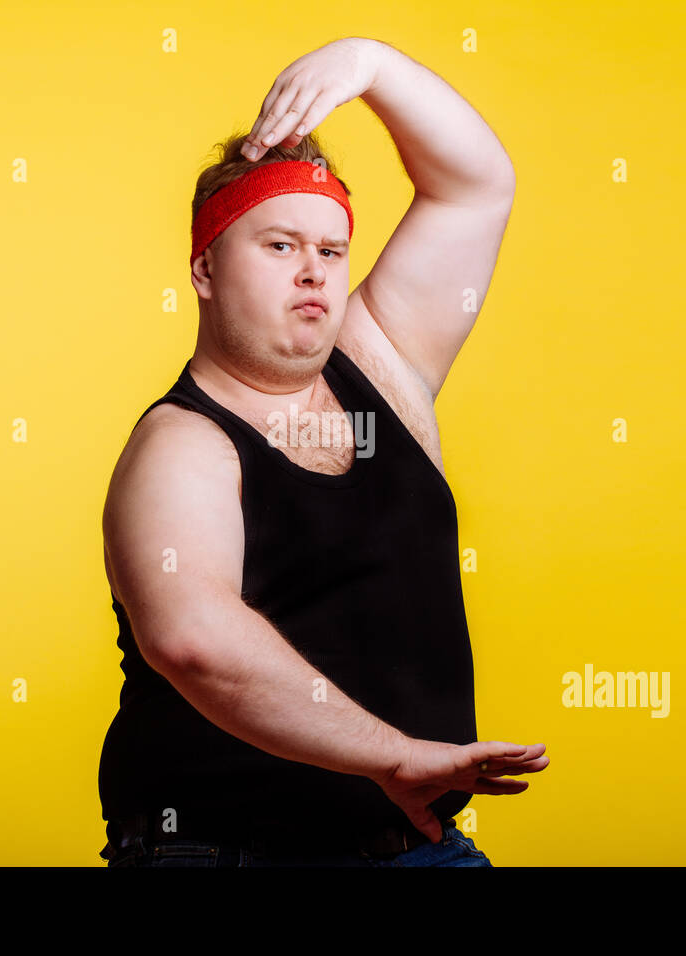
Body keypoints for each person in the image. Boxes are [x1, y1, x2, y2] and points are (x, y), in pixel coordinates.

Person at [98, 37, 547, 867]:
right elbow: (194, 640)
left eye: (330, 250)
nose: (313, 272)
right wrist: (393, 757)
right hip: (222, 852)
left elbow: (476, 188)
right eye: (278, 246)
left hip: (415, 846)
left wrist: (371, 65)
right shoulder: (180, 445)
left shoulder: (386, 363)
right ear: (204, 268)